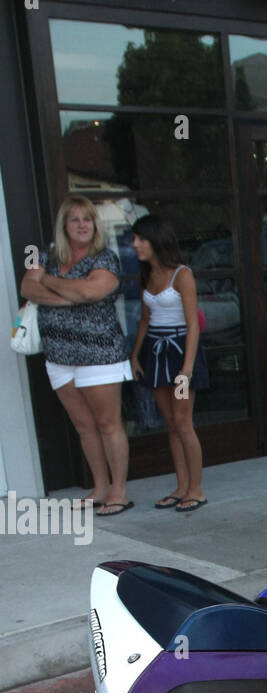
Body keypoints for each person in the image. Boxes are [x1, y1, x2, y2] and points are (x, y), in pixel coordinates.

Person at [20, 196, 133, 516]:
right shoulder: (43, 254)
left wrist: (52, 284)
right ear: (64, 225)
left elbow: (91, 292)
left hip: (98, 354)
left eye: (88, 219)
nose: (82, 225)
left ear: (95, 225)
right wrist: (70, 294)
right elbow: (29, 287)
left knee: (108, 424)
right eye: (75, 219)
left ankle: (119, 492)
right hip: (58, 355)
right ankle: (99, 488)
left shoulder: (106, 257)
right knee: (84, 426)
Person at [129, 215, 208, 512]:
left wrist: (186, 370)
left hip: (179, 352)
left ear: (156, 241)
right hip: (156, 352)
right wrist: (135, 355)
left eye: (141, 239)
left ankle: (196, 489)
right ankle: (181, 486)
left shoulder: (182, 275)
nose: (135, 245)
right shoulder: (146, 275)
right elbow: (146, 319)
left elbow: (192, 324)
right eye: (134, 239)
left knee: (184, 423)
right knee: (171, 425)